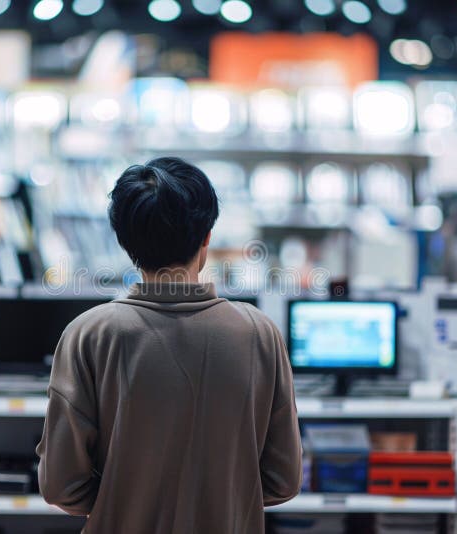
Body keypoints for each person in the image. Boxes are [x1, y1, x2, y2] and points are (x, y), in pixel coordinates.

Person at [36, 157, 302, 533]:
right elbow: (283, 479)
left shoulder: (87, 334)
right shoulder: (260, 334)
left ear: (124, 240)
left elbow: (60, 486)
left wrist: (123, 497)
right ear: (207, 236)